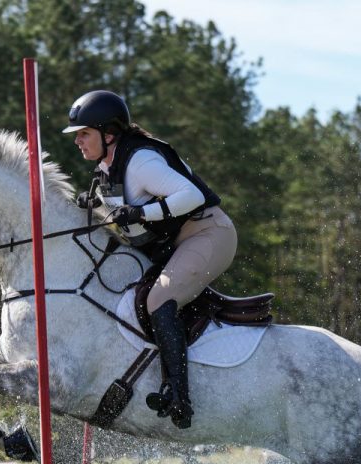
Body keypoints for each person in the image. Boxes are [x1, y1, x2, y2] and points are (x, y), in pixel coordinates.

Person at [63, 89, 237, 429]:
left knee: (159, 298)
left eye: (83, 133)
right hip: (176, 245)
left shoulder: (140, 161)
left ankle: (179, 397)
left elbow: (192, 195)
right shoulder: (106, 168)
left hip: (208, 233)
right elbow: (122, 217)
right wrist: (96, 205)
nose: (78, 141)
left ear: (108, 133)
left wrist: (142, 211)